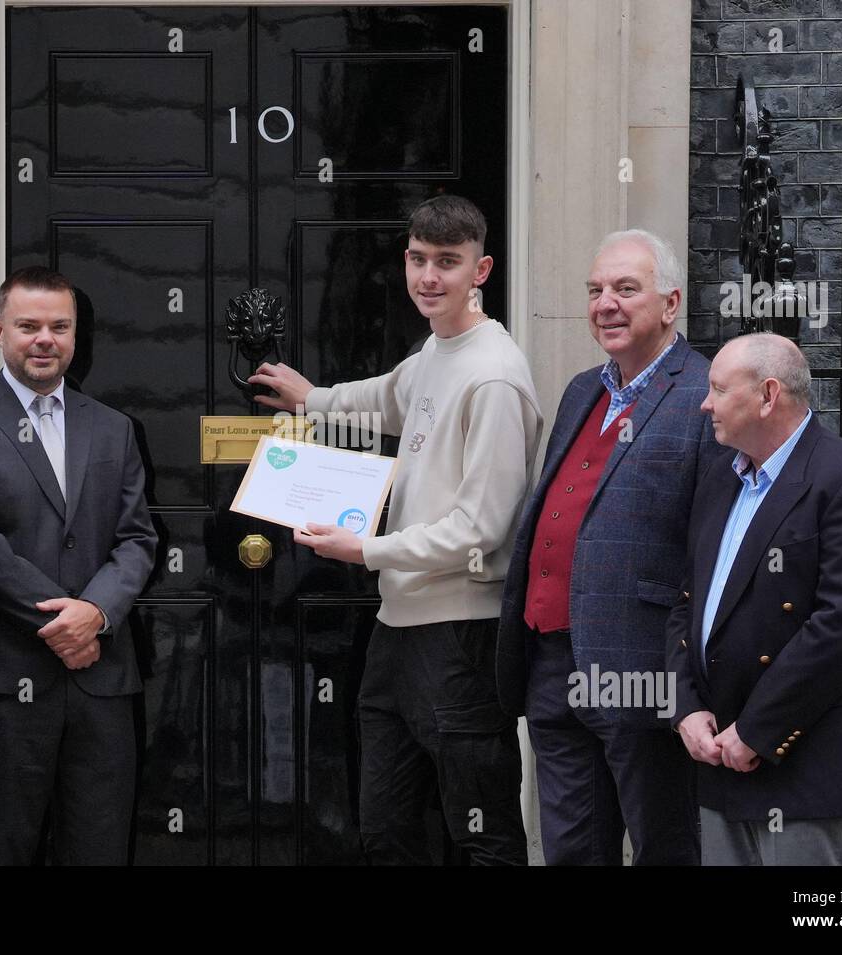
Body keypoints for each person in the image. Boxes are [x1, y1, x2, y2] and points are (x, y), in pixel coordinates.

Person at [250, 194, 542, 865]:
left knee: (482, 833)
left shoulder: (494, 374)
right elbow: (388, 395)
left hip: (460, 636)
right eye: (417, 259)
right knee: (384, 828)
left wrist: (368, 549)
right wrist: (312, 399)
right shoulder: (435, 352)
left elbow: (482, 526)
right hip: (397, 630)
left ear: (482, 269)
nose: (428, 276)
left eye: (448, 261)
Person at [498, 229, 725, 865]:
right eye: (596, 290)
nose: (606, 303)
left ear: (671, 303)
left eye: (627, 289)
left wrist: (689, 678)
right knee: (571, 849)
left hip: (643, 665)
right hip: (551, 657)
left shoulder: (705, 394)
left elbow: (714, 549)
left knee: (663, 846)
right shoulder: (580, 390)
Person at [0, 266, 157, 865]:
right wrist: (63, 622)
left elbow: (136, 540)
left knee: (100, 849)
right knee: (4, 847)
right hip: (8, 678)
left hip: (102, 680)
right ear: (0, 330)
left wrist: (96, 613)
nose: (44, 339)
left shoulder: (114, 428)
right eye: (29, 326)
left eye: (59, 326)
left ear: (76, 336)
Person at [666, 333, 842, 865]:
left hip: (805, 758)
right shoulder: (719, 480)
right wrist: (686, 708)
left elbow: (841, 626)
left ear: (768, 395)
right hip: (721, 752)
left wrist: (758, 730)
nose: (705, 404)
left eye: (719, 389)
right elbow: (688, 601)